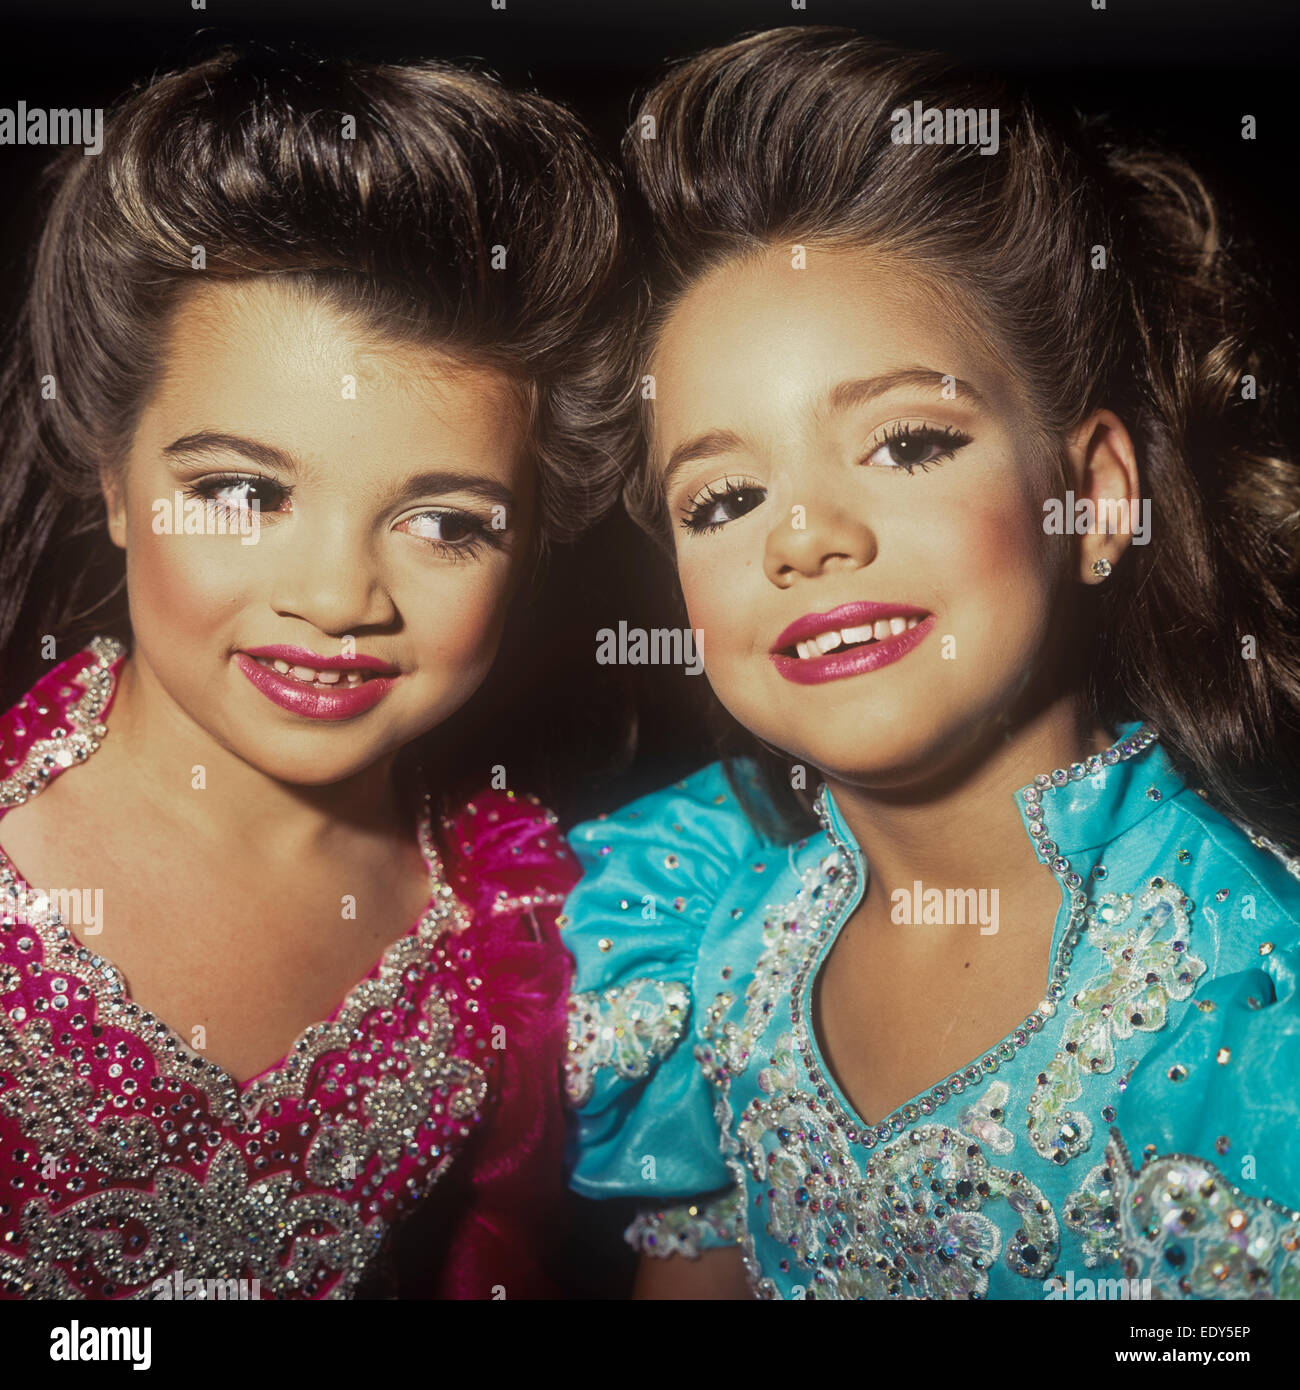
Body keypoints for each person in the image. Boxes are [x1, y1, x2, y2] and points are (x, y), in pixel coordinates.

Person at [562, 27, 1300, 1300]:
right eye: (725, 497)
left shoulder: (1250, 979)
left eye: (905, 444)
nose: (806, 536)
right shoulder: (721, 946)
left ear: (1094, 498)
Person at [0, 48, 634, 1299]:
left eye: (447, 522)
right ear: (114, 481)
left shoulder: (530, 937)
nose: (341, 597)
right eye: (242, 490)